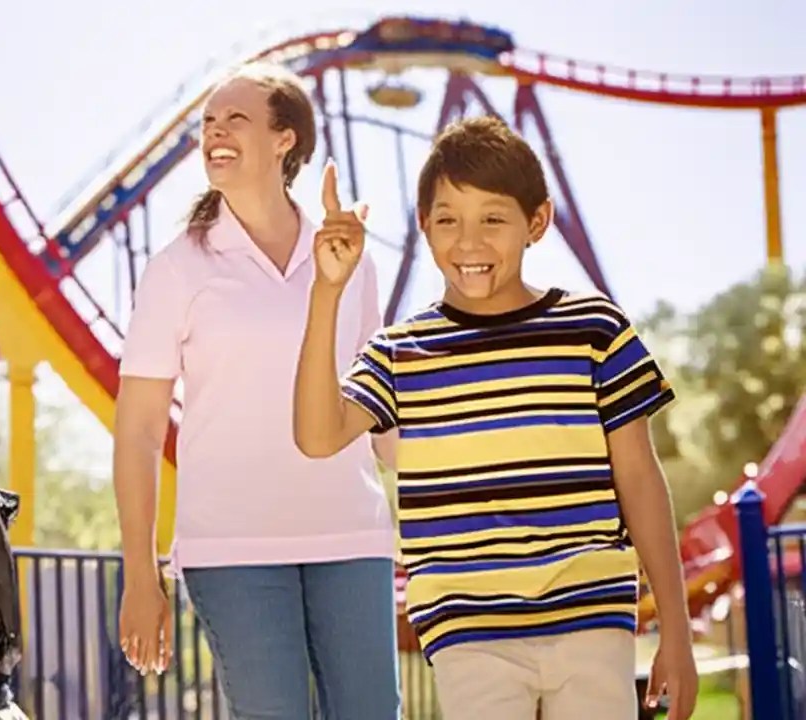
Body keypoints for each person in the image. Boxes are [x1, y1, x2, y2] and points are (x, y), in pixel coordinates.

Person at [293, 116, 699, 720]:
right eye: (449, 219)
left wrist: (678, 628)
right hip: (467, 627)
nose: (469, 243)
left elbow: (639, 476)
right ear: (424, 226)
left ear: (537, 222)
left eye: (493, 219)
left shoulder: (593, 331)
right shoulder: (400, 353)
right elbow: (317, 436)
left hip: (591, 613)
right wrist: (327, 290)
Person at [113, 62, 401, 719]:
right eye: (208, 122)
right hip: (232, 549)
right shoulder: (176, 269)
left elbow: (381, 418)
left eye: (234, 119)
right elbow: (138, 431)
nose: (214, 132)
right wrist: (140, 572)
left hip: (350, 538)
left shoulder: (356, 262)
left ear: (285, 140)